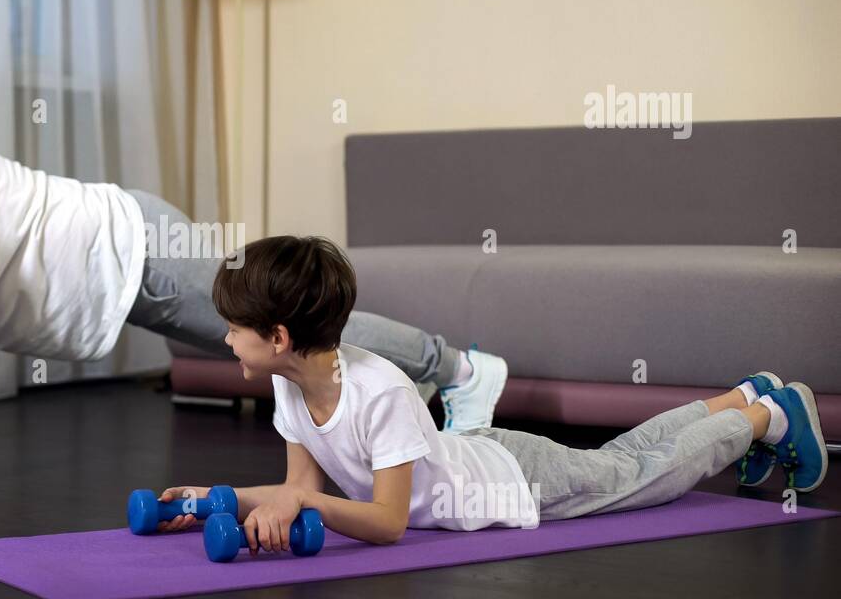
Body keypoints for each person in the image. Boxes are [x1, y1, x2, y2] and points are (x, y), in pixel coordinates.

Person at [0, 69, 509, 490]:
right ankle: (447, 372)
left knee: (283, 335)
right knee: (266, 345)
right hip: (114, 272)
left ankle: (461, 369)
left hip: (132, 248)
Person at [153, 235, 827, 553]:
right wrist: (214, 497)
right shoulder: (290, 385)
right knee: (628, 453)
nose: (225, 339)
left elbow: (386, 524)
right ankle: (744, 394)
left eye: (234, 329)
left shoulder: (378, 390)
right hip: (473, 453)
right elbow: (300, 485)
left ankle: (768, 415)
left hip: (513, 483)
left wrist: (305, 503)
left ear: (276, 335)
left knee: (642, 472)